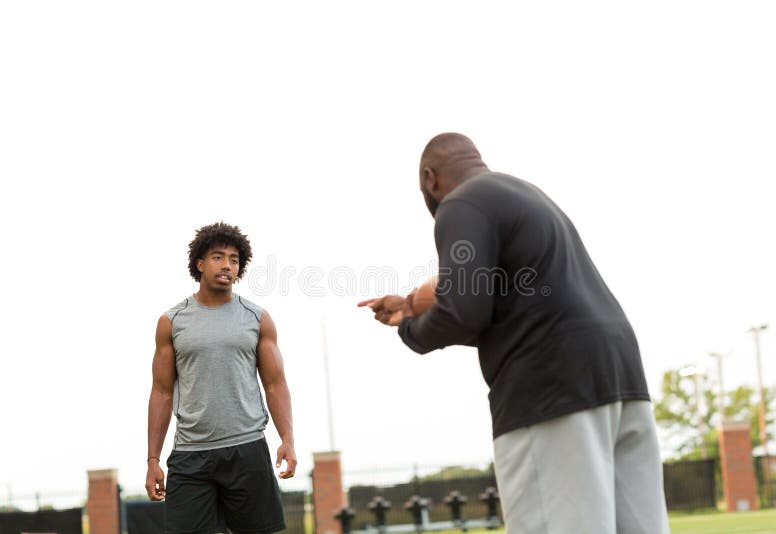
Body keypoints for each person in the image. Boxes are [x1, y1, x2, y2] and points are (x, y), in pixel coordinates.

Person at [360, 133, 669, 533]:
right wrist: (412, 306)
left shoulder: (461, 203)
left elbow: (463, 312)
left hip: (551, 385)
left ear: (430, 178)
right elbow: (492, 303)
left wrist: (410, 330)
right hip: (621, 375)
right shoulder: (527, 194)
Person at [146, 221, 296, 534]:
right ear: (199, 264)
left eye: (234, 260)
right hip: (190, 455)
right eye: (217, 257)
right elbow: (160, 391)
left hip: (247, 449)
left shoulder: (257, 318)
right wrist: (153, 459)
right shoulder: (171, 322)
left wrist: (288, 440)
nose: (227, 265)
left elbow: (275, 383)